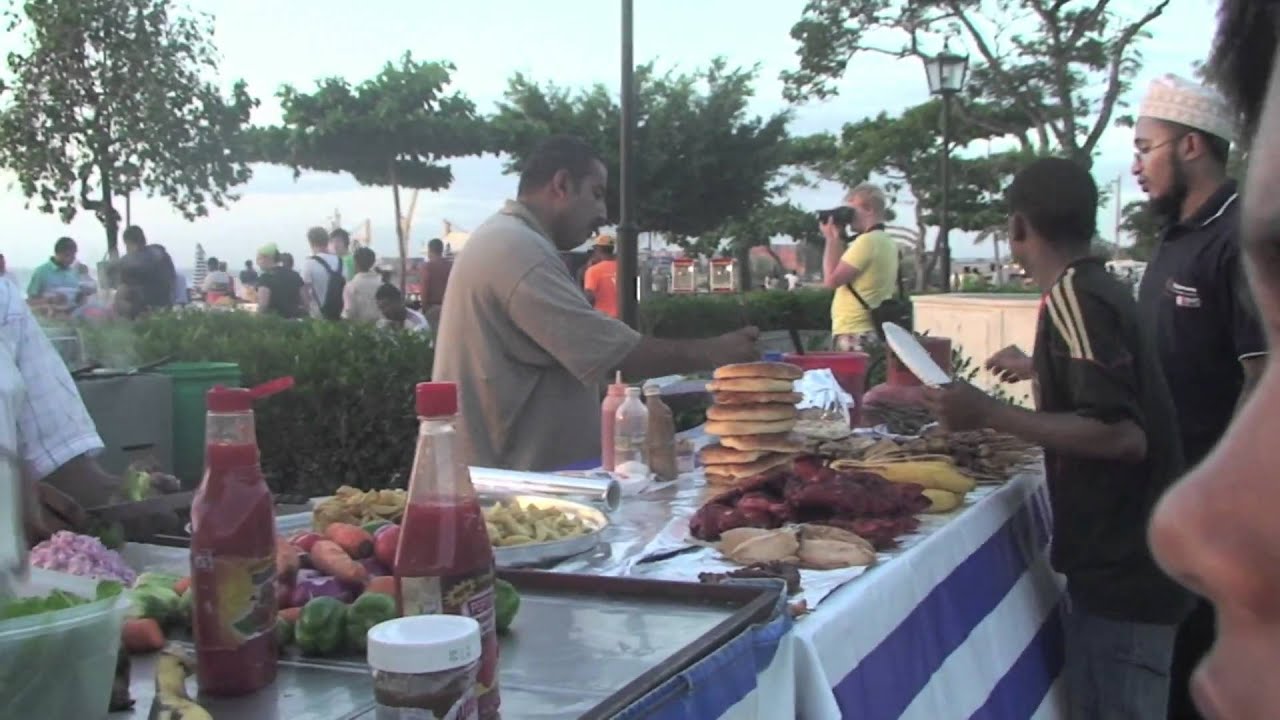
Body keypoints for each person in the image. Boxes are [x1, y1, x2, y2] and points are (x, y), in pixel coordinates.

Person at [923, 158, 1190, 720]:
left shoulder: (1076, 298)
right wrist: (1040, 369)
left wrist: (988, 412)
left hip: (1125, 572)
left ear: (1019, 227)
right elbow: (1117, 389)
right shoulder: (1096, 287)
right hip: (1132, 566)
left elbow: (1122, 435)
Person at [432, 135, 759, 471]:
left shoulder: (514, 240)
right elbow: (613, 356)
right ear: (561, 185)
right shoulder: (515, 247)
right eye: (596, 194)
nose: (603, 213)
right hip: (513, 494)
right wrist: (716, 352)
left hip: (529, 483)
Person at [1147, 5, 1280, 718]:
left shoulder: (1231, 243)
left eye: (1146, 148)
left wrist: (1213, 477)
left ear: (1192, 146)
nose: (1135, 165)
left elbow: (1255, 374)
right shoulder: (1174, 242)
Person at [821, 183, 900, 350]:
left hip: (855, 331)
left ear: (869, 209)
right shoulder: (885, 240)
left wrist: (831, 239)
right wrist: (839, 237)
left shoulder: (867, 242)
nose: (848, 216)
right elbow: (841, 267)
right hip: (870, 328)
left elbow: (831, 280)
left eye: (852, 209)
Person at [119, 226, 176, 316]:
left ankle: (130, 324)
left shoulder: (135, 260)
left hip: (147, 306)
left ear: (129, 242)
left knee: (120, 297)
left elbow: (125, 279)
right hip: (167, 302)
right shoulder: (161, 253)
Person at [27, 237, 82, 311]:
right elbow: (29, 302)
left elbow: (77, 299)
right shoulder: (41, 272)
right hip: (49, 319)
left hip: (72, 318)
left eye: (73, 256)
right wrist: (50, 300)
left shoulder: (73, 274)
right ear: (57, 253)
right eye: (67, 255)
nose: (71, 259)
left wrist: (81, 298)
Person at [303, 226, 345, 320]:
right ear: (327, 241)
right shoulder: (340, 262)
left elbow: (304, 292)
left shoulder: (309, 263)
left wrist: (307, 309)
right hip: (339, 315)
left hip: (318, 317)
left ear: (311, 242)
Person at [254, 244, 304, 319]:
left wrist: (256, 318)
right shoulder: (295, 275)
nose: (257, 263)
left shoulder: (265, 278)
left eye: (259, 259)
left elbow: (263, 305)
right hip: (295, 322)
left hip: (275, 322)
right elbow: (306, 301)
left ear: (268, 258)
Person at [418, 237, 453, 329]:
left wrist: (424, 307)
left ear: (429, 250)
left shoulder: (427, 267)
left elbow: (425, 287)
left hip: (433, 308)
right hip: (450, 307)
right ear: (442, 250)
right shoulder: (451, 266)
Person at [582, 234, 619, 318]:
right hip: (624, 318)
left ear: (598, 249)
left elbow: (589, 297)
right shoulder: (625, 269)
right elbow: (636, 294)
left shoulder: (593, 270)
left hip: (603, 318)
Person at [343, 247, 383, 323]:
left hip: (359, 330)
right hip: (380, 329)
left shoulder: (350, 286)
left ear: (355, 262)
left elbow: (349, 313)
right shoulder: (382, 283)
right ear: (373, 262)